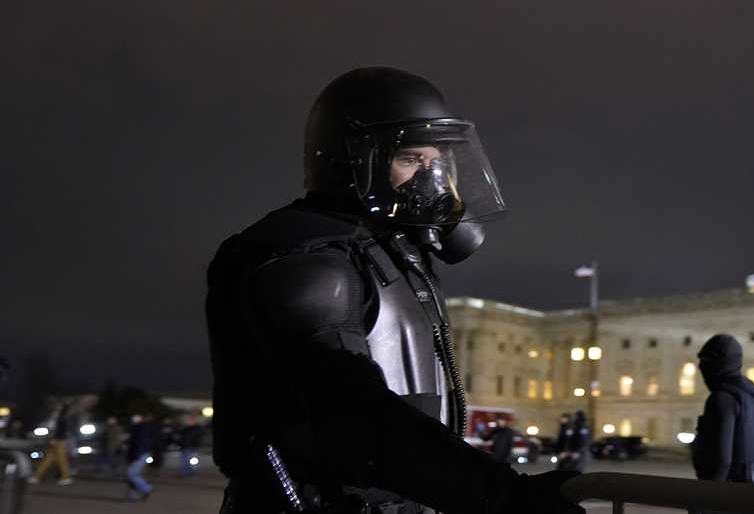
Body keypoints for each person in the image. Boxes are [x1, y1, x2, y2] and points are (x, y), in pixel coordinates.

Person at [206, 67, 582, 514]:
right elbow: (352, 416)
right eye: (411, 160)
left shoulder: (390, 250)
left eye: (438, 161)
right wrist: (506, 495)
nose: (432, 179)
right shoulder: (306, 260)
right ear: (350, 163)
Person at [691, 334, 754, 485]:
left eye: (704, 360)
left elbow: (721, 461)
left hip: (732, 493)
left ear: (718, 362)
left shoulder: (722, 398)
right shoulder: (753, 397)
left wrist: (707, 498)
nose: (700, 366)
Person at [30, 403, 74, 485]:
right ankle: (36, 476)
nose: (57, 407)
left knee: (61, 460)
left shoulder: (61, 418)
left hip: (58, 441)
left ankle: (66, 477)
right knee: (48, 459)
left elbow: (59, 430)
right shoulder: (60, 417)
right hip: (58, 440)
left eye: (59, 406)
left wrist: (54, 439)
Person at [126, 414, 156, 501]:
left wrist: (136, 455)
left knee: (132, 474)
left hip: (140, 454)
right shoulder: (140, 427)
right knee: (132, 475)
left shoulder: (142, 428)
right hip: (139, 454)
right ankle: (132, 495)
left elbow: (140, 443)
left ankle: (146, 488)